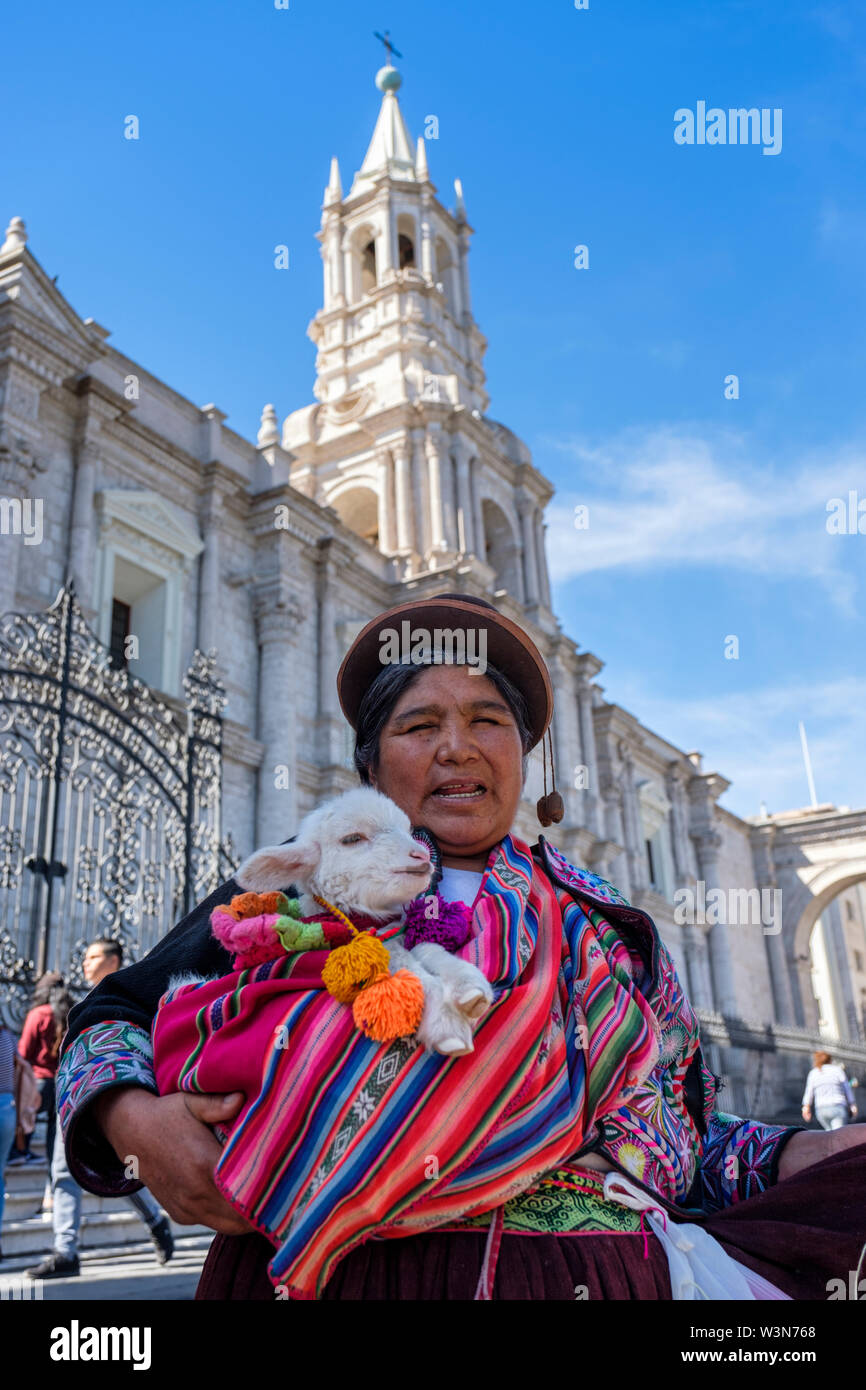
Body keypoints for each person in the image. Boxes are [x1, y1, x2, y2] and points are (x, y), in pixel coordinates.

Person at [55, 593, 866, 1300]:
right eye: (419, 725)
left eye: (487, 720)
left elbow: (678, 1134)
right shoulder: (295, 898)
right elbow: (110, 1014)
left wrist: (809, 1149)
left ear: (524, 756)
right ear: (370, 767)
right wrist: (134, 1119)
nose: (457, 746)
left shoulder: (610, 928)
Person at [25, 938, 174, 1279]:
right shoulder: (83, 999)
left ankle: (155, 1221)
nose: (85, 963)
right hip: (77, 1098)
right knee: (65, 1171)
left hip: (124, 1100)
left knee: (125, 1171)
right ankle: (66, 1251)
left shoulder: (140, 990)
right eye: (85, 957)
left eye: (93, 956)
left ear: (114, 959)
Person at [8, 973, 73, 1197]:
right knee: (54, 1142)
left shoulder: (38, 1014)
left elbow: (23, 1052)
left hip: (38, 1083)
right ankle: (51, 1192)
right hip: (62, 1085)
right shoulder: (68, 1013)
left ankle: (20, 1151)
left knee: (24, 1119)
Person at [802, 1051, 858, 1131]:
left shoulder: (813, 1073)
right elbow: (847, 1089)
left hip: (821, 1109)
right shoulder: (837, 1070)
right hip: (838, 1107)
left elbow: (809, 1092)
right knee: (838, 1135)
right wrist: (852, 1104)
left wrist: (806, 1107)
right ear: (830, 1060)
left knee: (829, 1134)